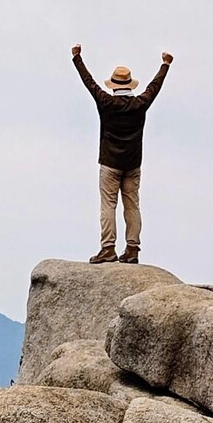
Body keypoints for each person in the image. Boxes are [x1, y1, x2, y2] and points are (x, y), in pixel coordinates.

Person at [71, 43, 173, 264]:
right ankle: (132, 249)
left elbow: (89, 83)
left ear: (114, 85)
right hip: (133, 163)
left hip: (109, 162)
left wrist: (77, 58)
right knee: (132, 205)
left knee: (108, 204)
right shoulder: (140, 103)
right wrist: (165, 65)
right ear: (129, 84)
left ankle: (108, 248)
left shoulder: (106, 102)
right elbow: (154, 87)